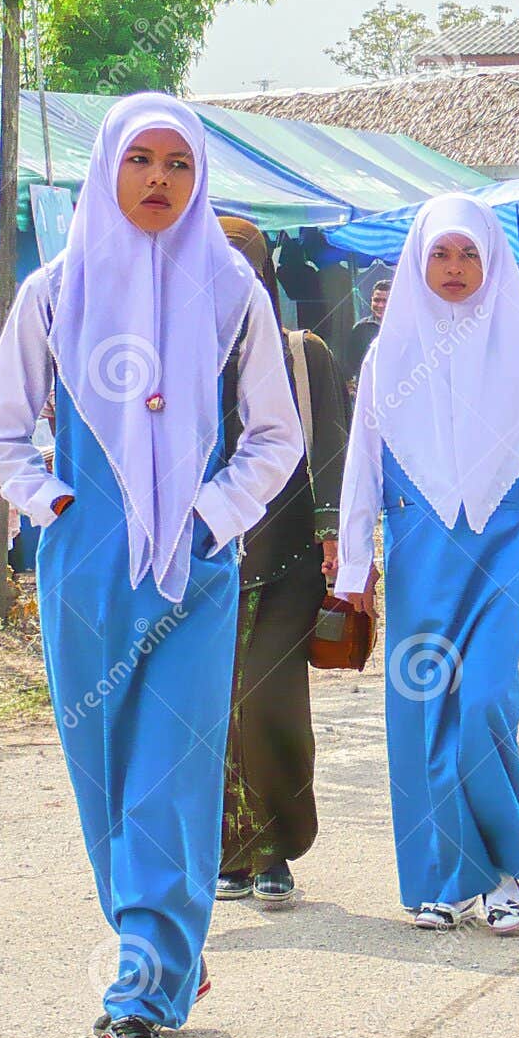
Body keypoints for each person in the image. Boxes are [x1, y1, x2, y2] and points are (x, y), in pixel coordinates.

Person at [0, 94, 302, 1038]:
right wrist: (54, 500)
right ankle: (166, 952)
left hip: (194, 574)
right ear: (109, 170)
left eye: (179, 164)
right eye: (141, 161)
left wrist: (213, 515)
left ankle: (134, 1011)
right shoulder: (55, 292)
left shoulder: (231, 292)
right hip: (84, 573)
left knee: (171, 780)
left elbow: (275, 436)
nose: (160, 179)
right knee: (107, 784)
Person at [336, 194, 519, 933]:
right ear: (417, 262)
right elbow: (361, 470)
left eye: (468, 255)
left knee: (486, 701)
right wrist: (354, 571)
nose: (454, 270)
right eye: (440, 255)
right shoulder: (387, 355)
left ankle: (502, 869)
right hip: (418, 557)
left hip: (496, 556)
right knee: (425, 711)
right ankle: (441, 876)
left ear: (490, 264)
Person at [214, 217, 349, 905]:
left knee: (269, 702)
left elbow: (330, 448)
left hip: (288, 559)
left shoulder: (303, 355)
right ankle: (228, 853)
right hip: (204, 564)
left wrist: (338, 543)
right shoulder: (183, 355)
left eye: (244, 265)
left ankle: (276, 846)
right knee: (211, 710)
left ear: (264, 275)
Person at [345, 277, 388, 395]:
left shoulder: (404, 329)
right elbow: (351, 363)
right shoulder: (361, 328)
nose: (380, 305)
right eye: (376, 300)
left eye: (385, 301)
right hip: (368, 389)